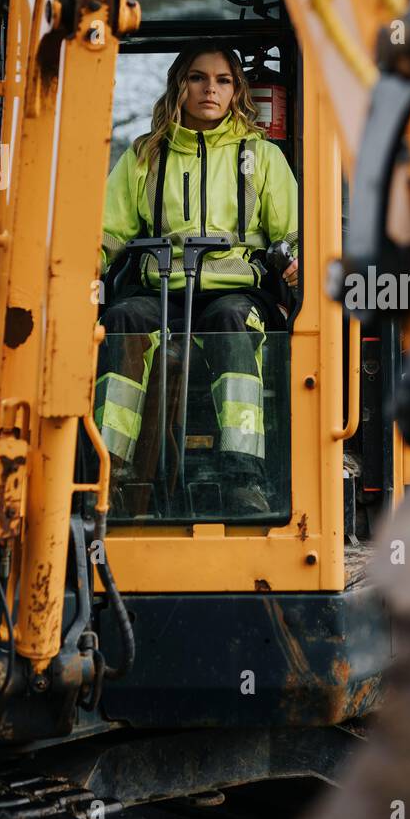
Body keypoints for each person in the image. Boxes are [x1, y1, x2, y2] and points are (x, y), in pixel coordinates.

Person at [96, 41, 298, 513]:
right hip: (160, 290)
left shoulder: (261, 156)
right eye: (198, 78)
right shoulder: (145, 156)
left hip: (236, 295)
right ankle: (110, 473)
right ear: (179, 86)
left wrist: (297, 259)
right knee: (124, 318)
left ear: (236, 91)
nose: (211, 89)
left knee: (231, 323)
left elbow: (293, 230)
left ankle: (242, 476)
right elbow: (107, 230)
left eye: (223, 80)